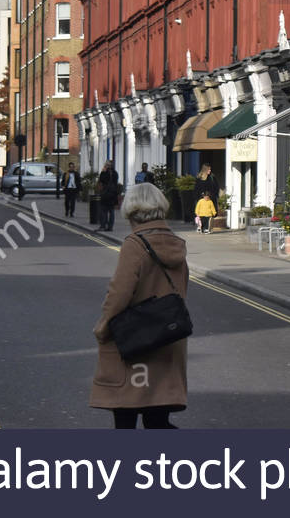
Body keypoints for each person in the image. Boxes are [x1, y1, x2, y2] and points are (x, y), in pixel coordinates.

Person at [89, 182, 188, 429]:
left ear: (132, 211)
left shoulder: (135, 244)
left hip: (135, 341)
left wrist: (103, 327)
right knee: (157, 421)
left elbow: (119, 293)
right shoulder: (175, 243)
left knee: (125, 417)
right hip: (168, 338)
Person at [96, 160, 121, 232]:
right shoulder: (115, 173)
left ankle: (103, 226)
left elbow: (101, 180)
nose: (105, 165)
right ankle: (110, 227)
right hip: (113, 194)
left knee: (103, 210)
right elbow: (115, 183)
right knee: (111, 211)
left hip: (106, 194)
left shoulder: (105, 172)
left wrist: (103, 172)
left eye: (106, 164)